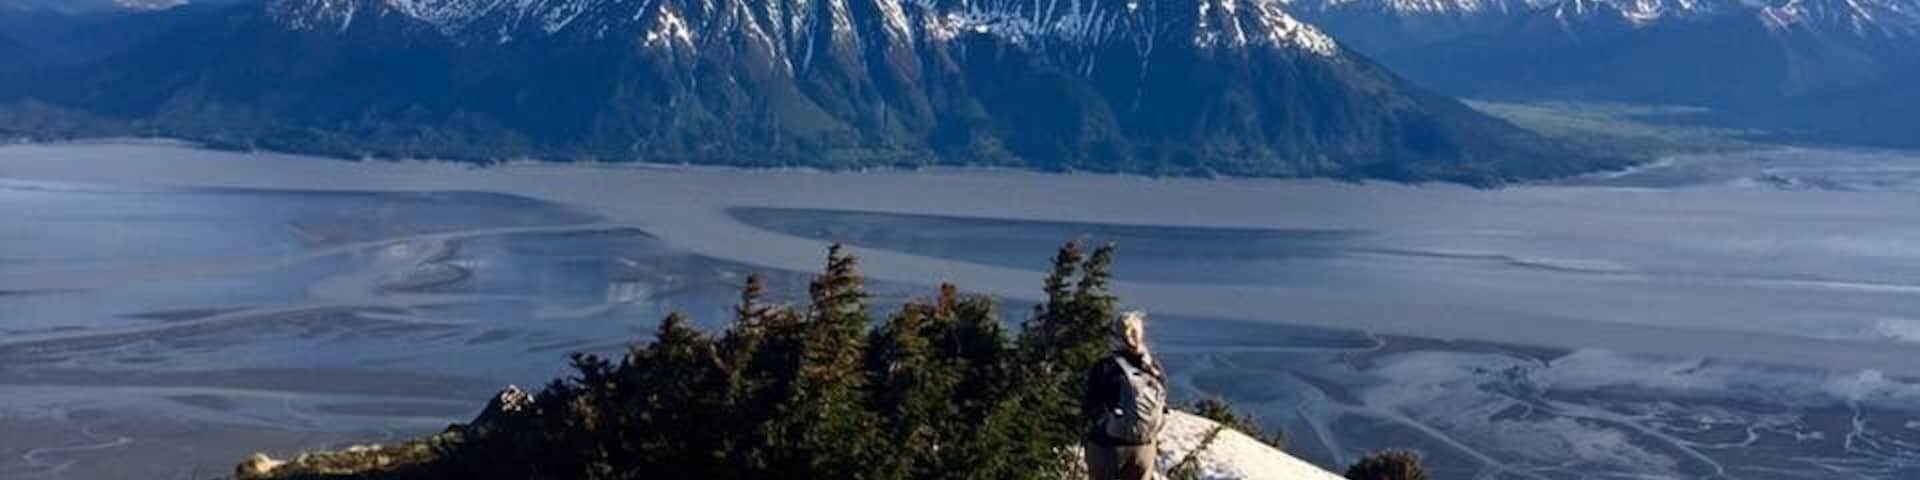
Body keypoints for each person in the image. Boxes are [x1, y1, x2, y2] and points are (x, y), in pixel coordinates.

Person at [1084, 311, 1169, 480]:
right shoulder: (1153, 368)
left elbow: (1089, 406)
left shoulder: (1105, 367)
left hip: (1107, 445)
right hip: (1144, 447)